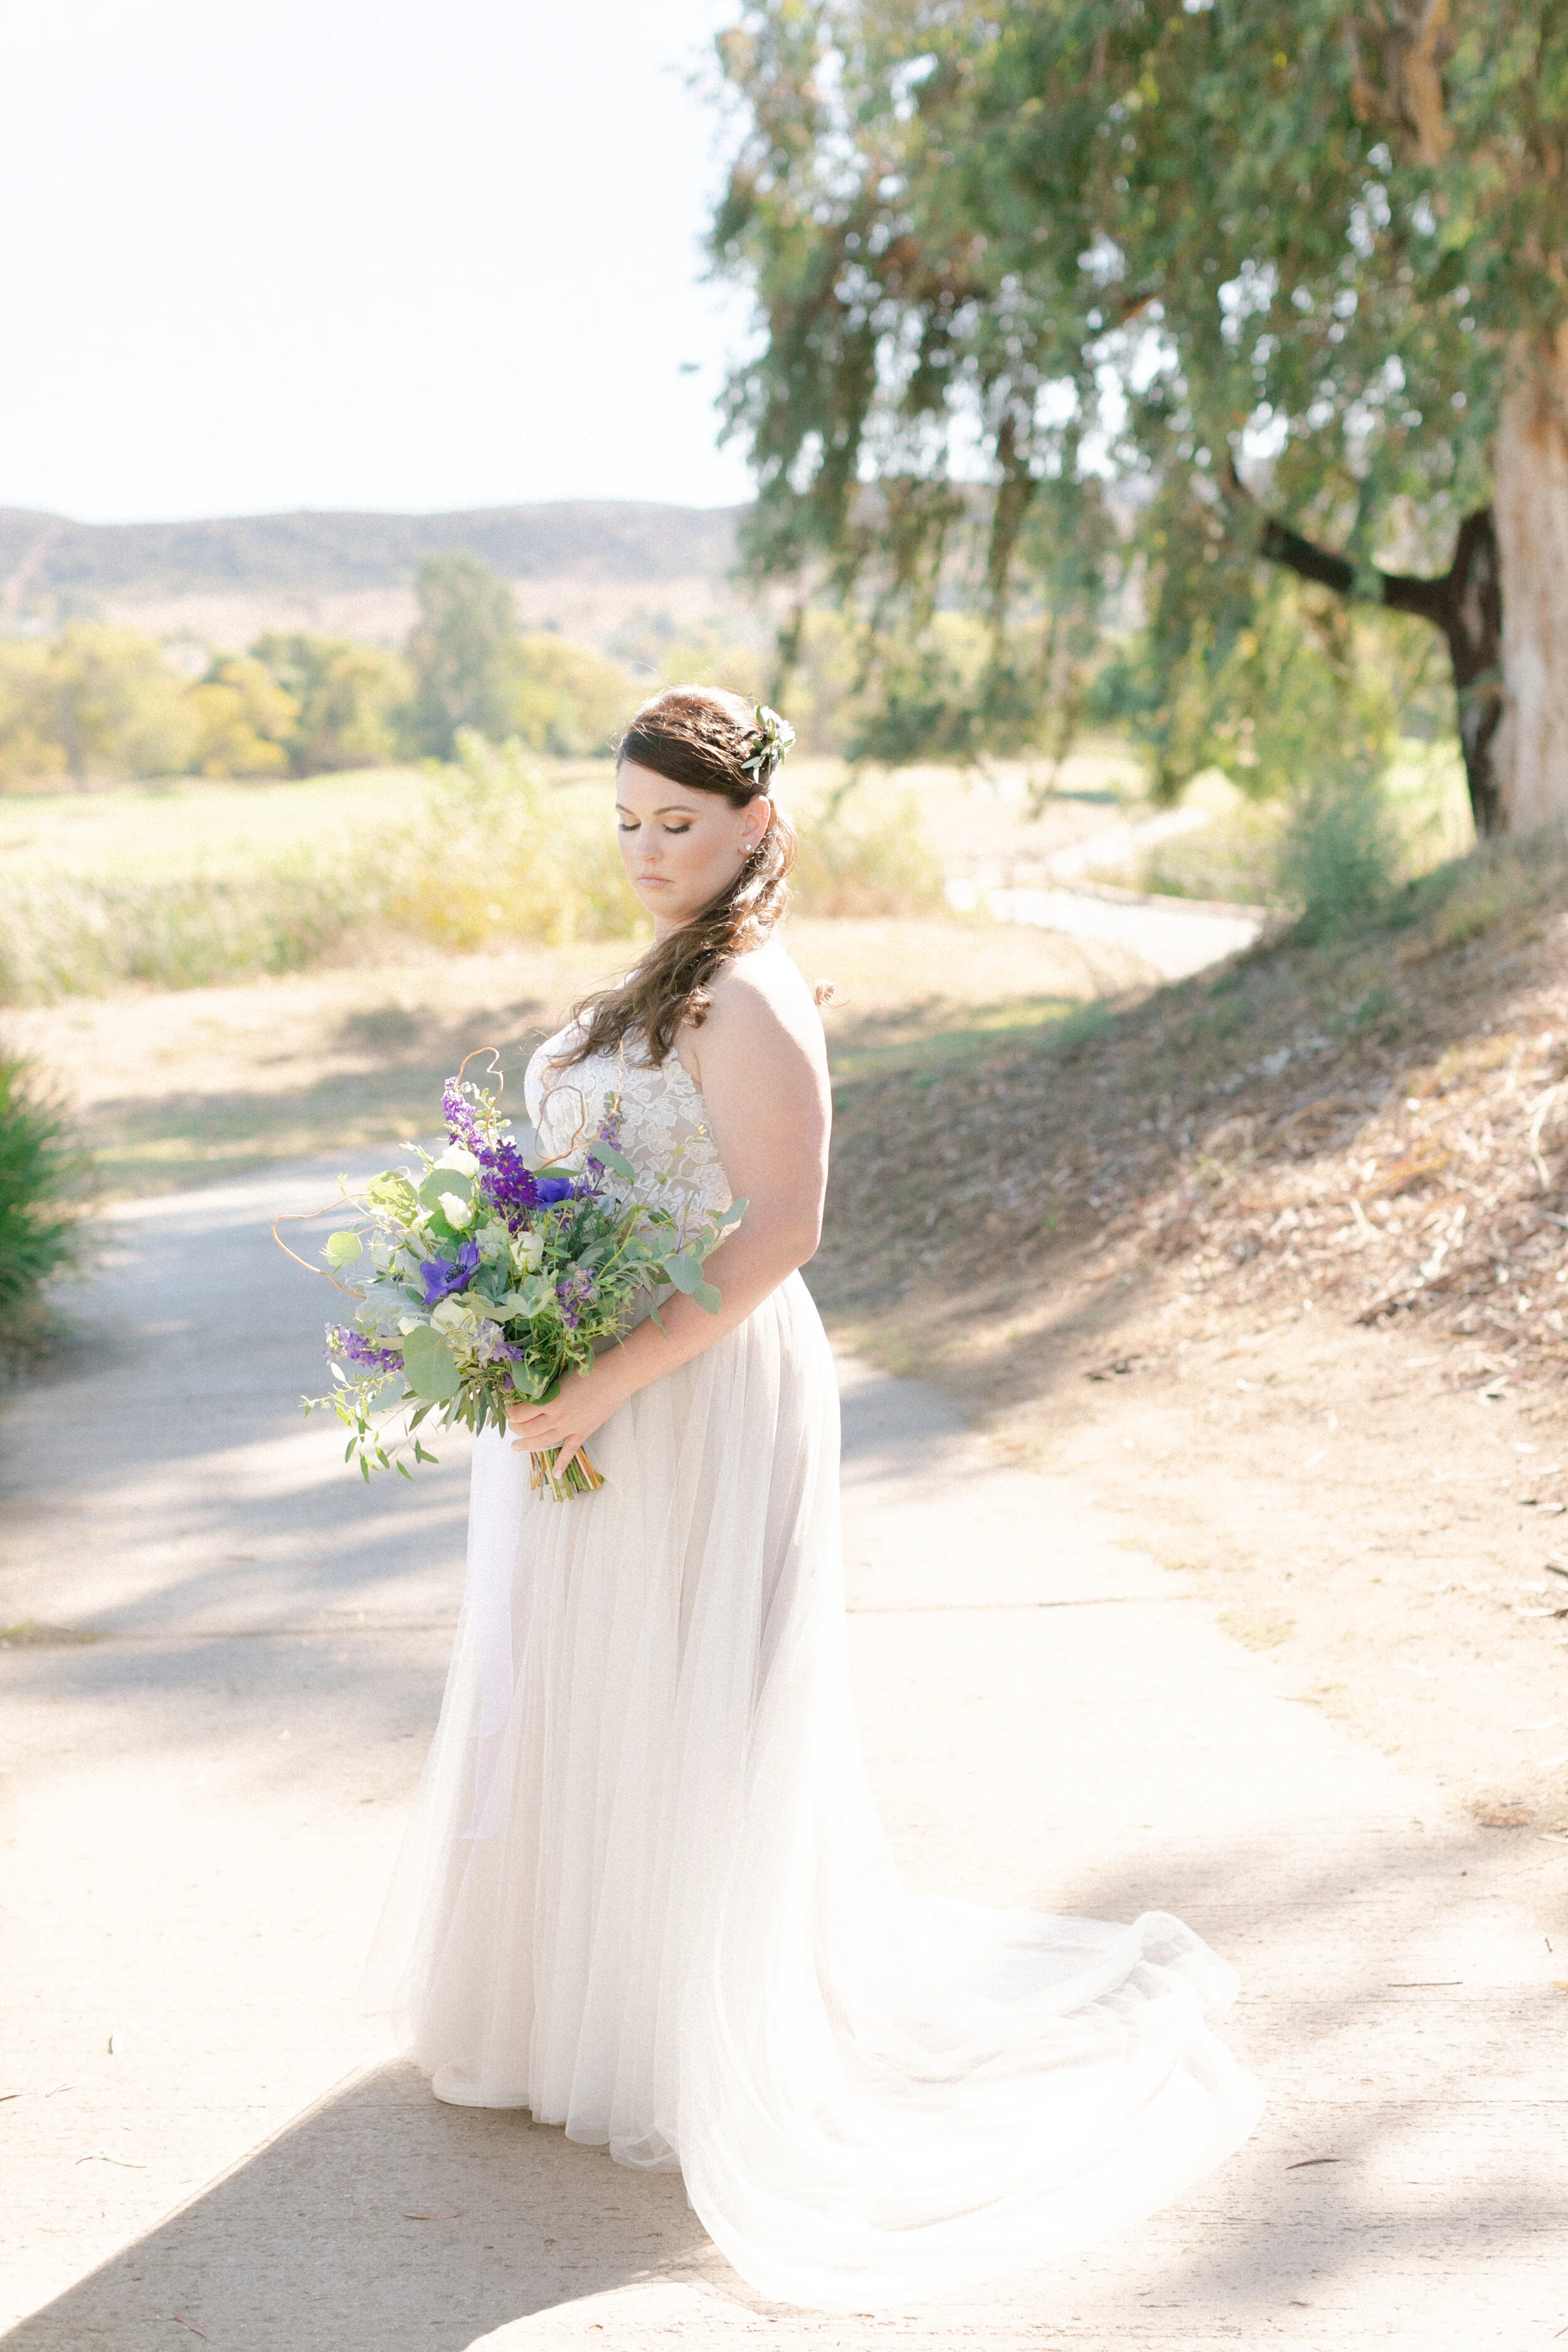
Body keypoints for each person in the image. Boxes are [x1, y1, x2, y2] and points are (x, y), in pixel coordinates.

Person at [363, 686, 1263, 2312]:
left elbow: (777, 1224)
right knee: (588, 1683)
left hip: (695, 1385)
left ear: (755, 826)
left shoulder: (753, 994)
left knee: (689, 1689)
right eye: (626, 825)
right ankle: (586, 2004)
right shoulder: (659, 974)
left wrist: (606, 1373)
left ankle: (685, 2033)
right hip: (604, 1368)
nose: (645, 855)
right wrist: (512, 1317)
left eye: (678, 827)